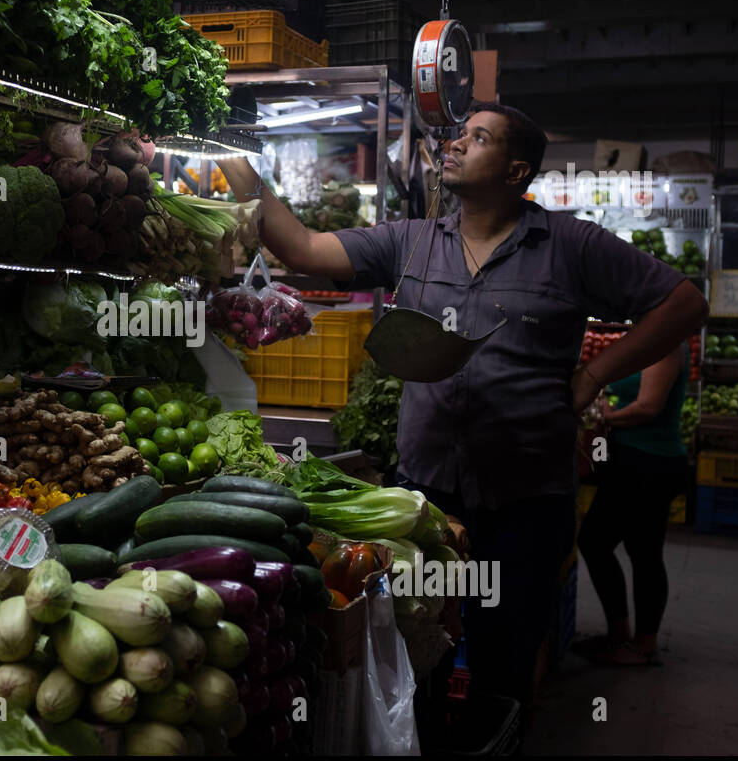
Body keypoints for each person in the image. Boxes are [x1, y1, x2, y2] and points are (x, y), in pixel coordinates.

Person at [215, 102, 708, 716]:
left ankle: (497, 733)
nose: (454, 144)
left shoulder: (571, 245)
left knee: (504, 659)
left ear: (515, 169)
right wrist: (230, 160)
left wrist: (593, 376)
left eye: (477, 138)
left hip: (526, 499)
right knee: (423, 647)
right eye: (459, 133)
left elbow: (684, 305)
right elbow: (302, 247)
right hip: (430, 498)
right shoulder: (410, 242)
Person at [577, 343, 689, 666]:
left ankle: (640, 644)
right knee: (633, 548)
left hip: (650, 463)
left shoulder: (666, 345)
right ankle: (625, 637)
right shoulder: (646, 338)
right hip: (637, 460)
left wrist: (609, 417)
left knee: (614, 545)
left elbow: (648, 407)